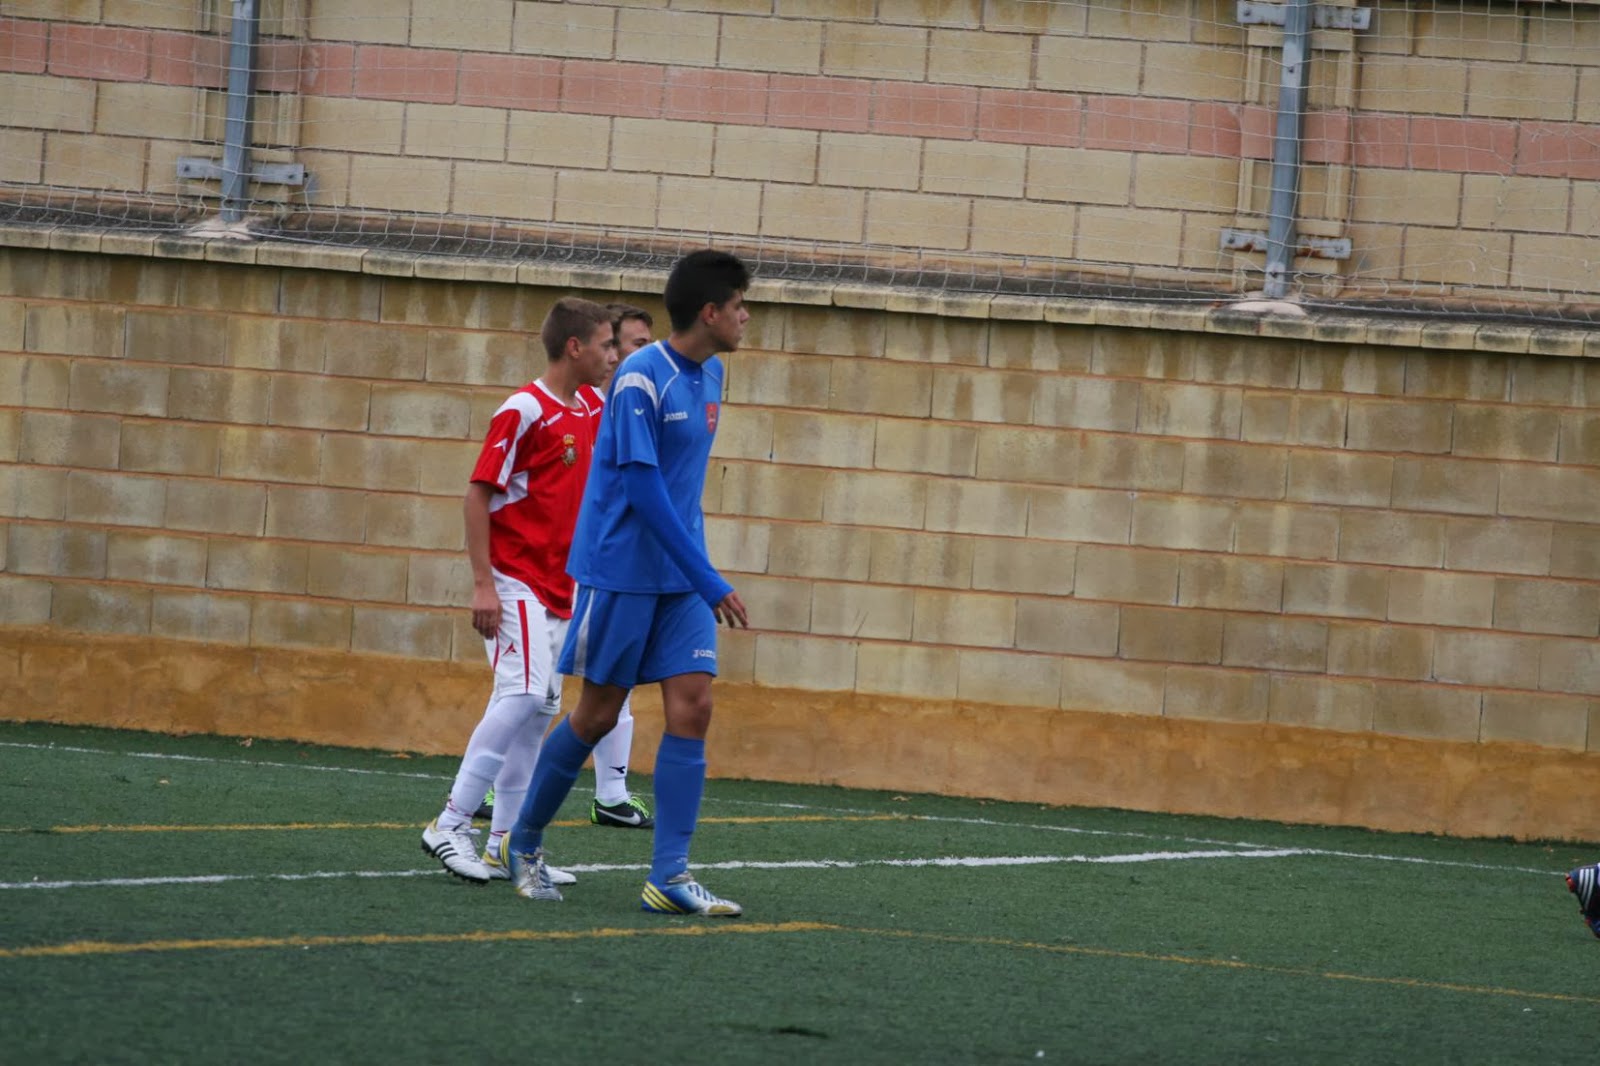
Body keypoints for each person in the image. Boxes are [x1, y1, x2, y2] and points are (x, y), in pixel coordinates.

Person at [505, 250, 751, 916]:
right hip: (623, 573)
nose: (744, 317)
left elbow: (681, 489)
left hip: (681, 577)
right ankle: (522, 844)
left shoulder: (714, 375)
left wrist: (696, 574)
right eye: (738, 305)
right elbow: (642, 491)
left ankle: (668, 876)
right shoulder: (642, 378)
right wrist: (711, 579)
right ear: (710, 312)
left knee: (694, 705)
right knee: (597, 714)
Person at [420, 296, 618, 884]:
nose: (614, 355)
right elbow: (478, 493)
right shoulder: (522, 410)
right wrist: (484, 584)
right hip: (515, 578)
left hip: (563, 584)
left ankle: (504, 843)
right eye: (607, 344)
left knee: (540, 711)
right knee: (526, 693)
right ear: (575, 347)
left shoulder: (593, 407)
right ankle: (450, 823)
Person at [584, 304, 659, 830]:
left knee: (619, 677)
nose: (640, 355)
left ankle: (612, 792)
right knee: (534, 689)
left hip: (613, 566)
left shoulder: (637, 408)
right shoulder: (581, 408)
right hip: (572, 566)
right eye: (632, 344)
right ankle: (496, 788)